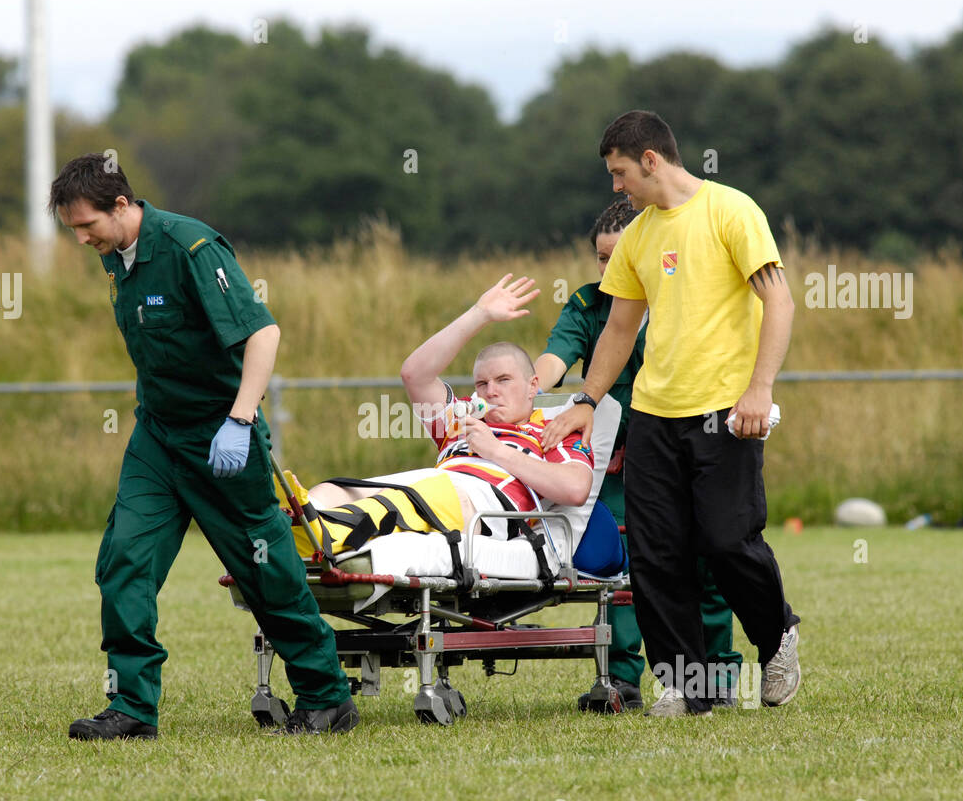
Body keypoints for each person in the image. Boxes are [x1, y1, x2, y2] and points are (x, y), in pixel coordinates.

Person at [49, 153, 358, 738]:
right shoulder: (116, 259)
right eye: (73, 230)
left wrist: (240, 420)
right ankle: (133, 709)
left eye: (87, 225)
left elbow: (264, 333)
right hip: (158, 440)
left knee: (265, 571)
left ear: (121, 205)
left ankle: (326, 696)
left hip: (223, 438)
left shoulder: (191, 246)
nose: (82, 238)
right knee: (124, 563)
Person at [542, 111, 801, 717]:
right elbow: (618, 330)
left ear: (651, 160)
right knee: (656, 557)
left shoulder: (732, 212)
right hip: (654, 415)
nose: (616, 186)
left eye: (620, 172)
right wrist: (586, 401)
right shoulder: (637, 237)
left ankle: (777, 634)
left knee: (726, 541)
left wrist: (759, 389)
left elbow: (780, 302)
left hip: (724, 412)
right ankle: (691, 687)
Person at [534, 199, 741, 712]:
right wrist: (521, 387)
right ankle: (620, 681)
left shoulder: (683, 301)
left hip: (686, 448)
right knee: (624, 569)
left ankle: (715, 679)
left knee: (708, 561)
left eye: (618, 256)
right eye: (602, 259)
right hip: (614, 468)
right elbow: (554, 360)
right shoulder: (590, 305)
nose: (609, 269)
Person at [302, 275, 595, 545]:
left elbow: (575, 489)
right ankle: (299, 525)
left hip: (483, 505)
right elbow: (415, 375)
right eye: (482, 383)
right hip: (430, 485)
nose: (491, 390)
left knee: (426, 498)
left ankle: (325, 534)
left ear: (533, 386)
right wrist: (479, 314)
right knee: (333, 491)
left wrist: (496, 451)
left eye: (503, 380)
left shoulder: (555, 429)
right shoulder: (464, 420)